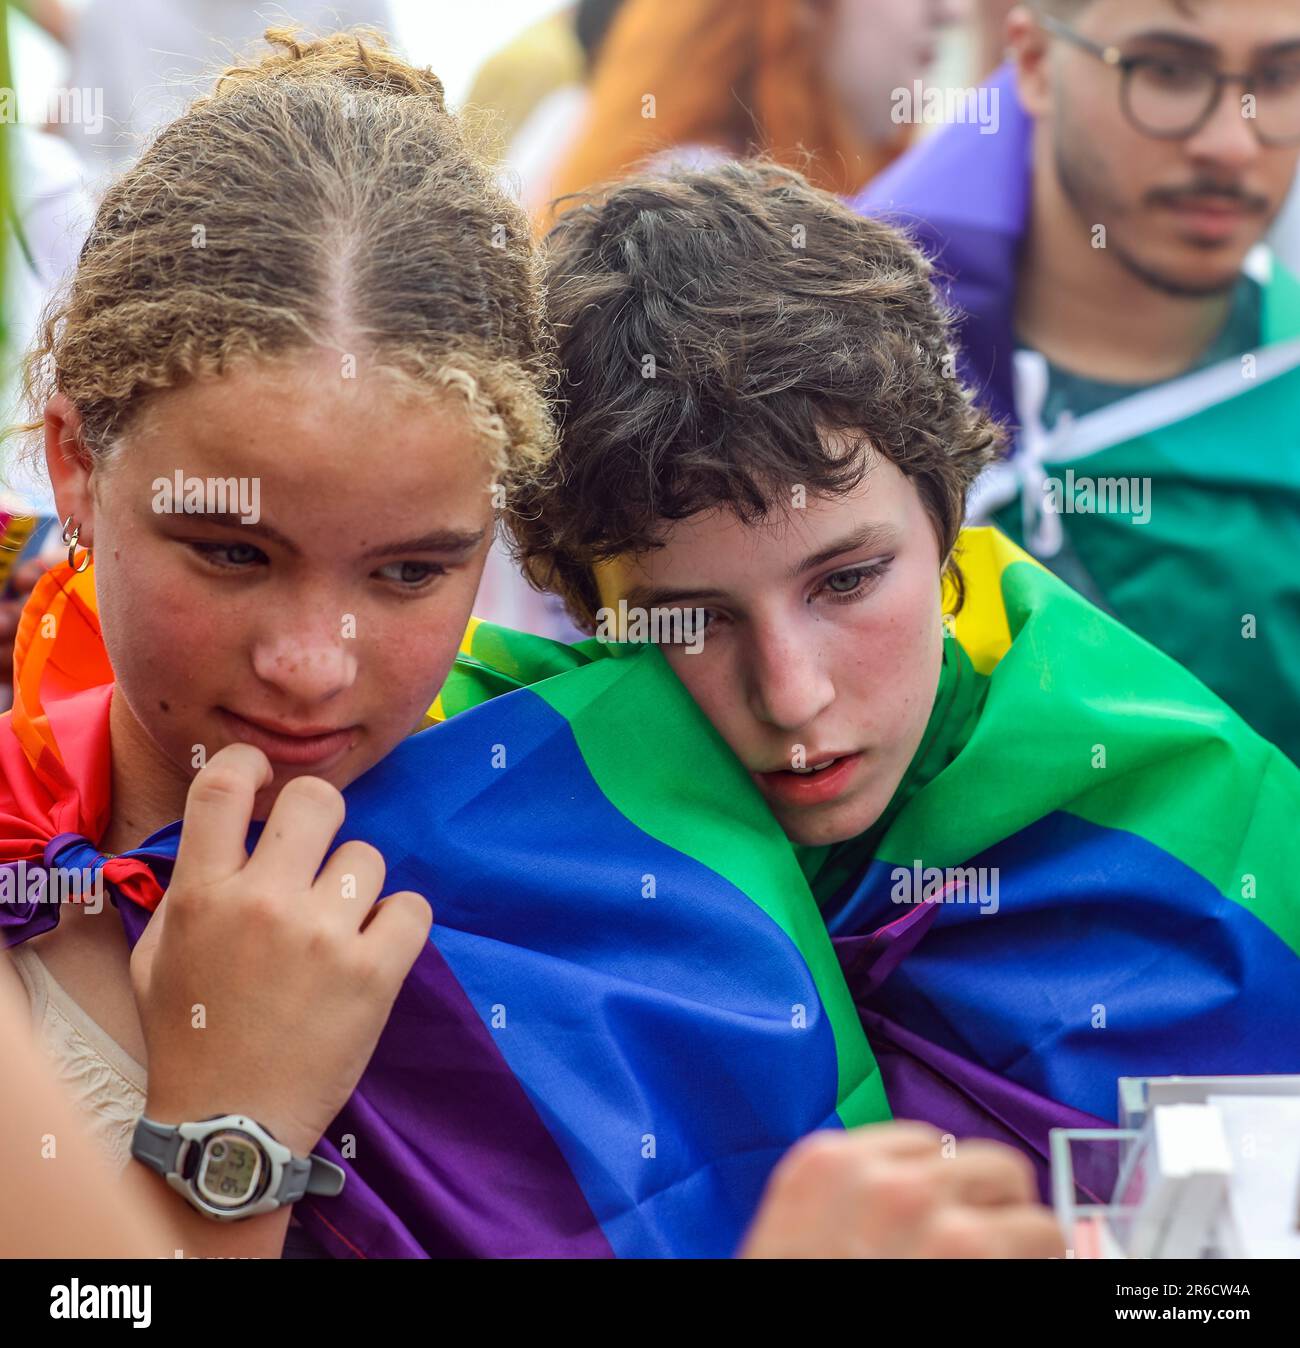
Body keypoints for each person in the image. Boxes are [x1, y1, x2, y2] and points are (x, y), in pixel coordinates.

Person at [2, 27, 1059, 1259]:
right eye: (234, 553)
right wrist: (232, 1135)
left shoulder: (626, 842)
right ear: (76, 464)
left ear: (498, 526)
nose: (312, 662)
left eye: (412, 570)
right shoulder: (30, 888)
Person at [501, 159, 1300, 1192]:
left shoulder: (1199, 838)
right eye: (692, 619)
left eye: (848, 580)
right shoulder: (484, 826)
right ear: (583, 605)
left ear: (948, 517)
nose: (791, 697)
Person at [853, 0, 1300, 764]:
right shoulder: (830, 364)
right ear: (1033, 64)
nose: (1232, 141)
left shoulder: (1278, 402)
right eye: (1165, 69)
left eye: (1282, 76)